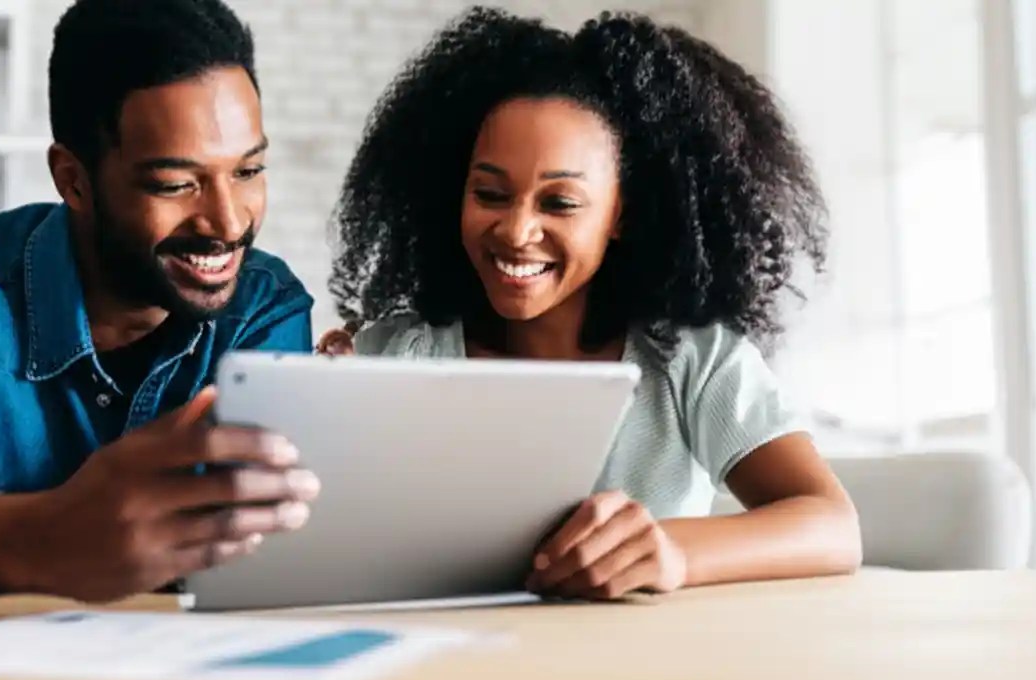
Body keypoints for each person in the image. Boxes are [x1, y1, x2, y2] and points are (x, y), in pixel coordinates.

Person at [320, 7, 862, 599]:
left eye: (559, 203)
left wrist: (672, 551)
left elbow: (832, 525)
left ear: (622, 213)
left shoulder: (691, 363)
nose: (516, 230)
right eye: (491, 194)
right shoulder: (393, 358)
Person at [0, 0, 321, 615]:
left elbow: (272, 559)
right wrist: (38, 538)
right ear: (73, 180)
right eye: (176, 184)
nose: (228, 221)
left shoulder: (263, 308)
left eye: (248, 170)